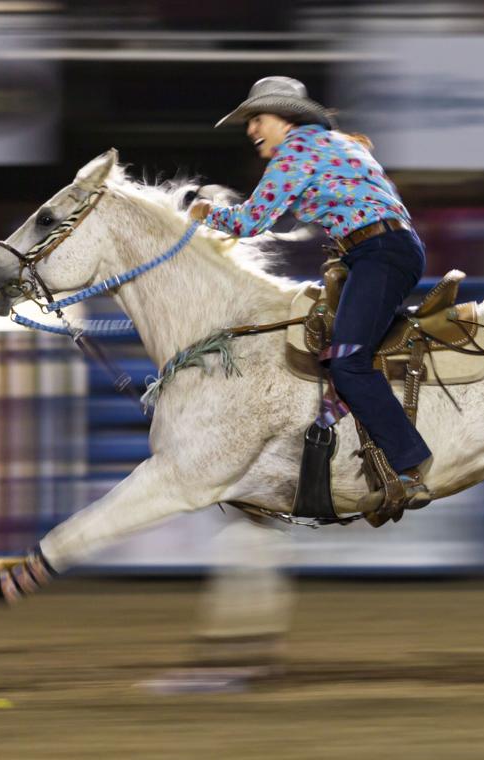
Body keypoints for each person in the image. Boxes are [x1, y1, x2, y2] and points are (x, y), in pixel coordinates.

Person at [187, 76, 431, 512]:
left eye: (257, 119)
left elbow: (253, 220)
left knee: (349, 361)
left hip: (377, 253)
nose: (251, 130)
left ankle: (410, 465)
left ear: (285, 119)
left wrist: (206, 214)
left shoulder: (295, 151)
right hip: (384, 250)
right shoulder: (335, 144)